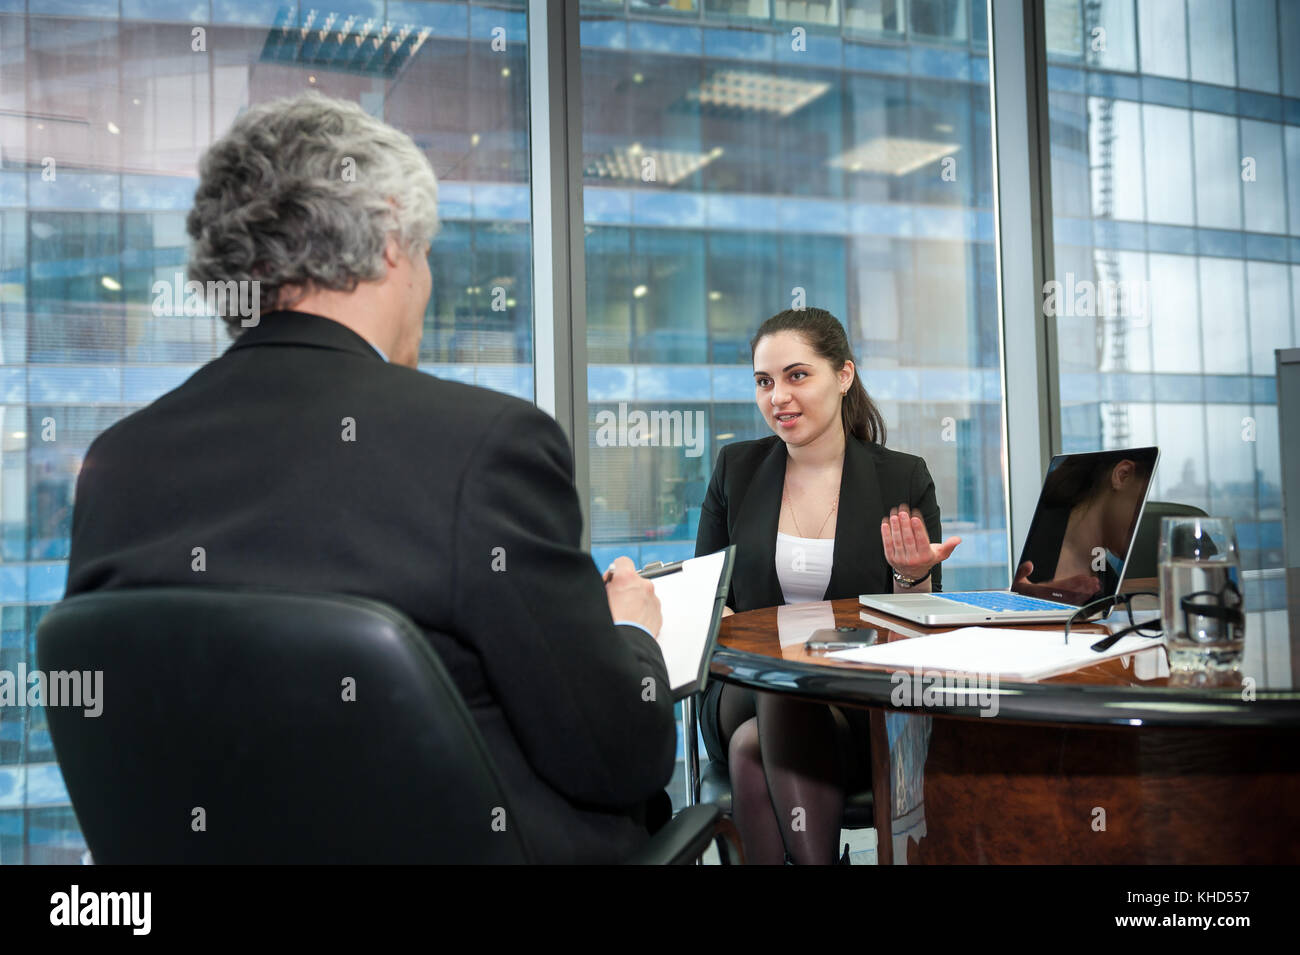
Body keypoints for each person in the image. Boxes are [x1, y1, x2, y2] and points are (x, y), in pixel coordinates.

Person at [64, 92, 676, 864]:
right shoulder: (485, 445)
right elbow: (617, 756)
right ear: (391, 236)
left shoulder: (117, 466)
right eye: (425, 252)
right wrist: (631, 630)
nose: (424, 281)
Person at [694, 307, 961, 865]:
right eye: (764, 382)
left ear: (843, 376)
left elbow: (919, 629)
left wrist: (913, 578)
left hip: (856, 702)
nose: (778, 398)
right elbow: (707, 598)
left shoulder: (902, 477)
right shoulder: (736, 469)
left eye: (797, 375)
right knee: (778, 683)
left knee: (753, 750)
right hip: (741, 692)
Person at [1012, 450, 1156, 605]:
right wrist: (1019, 601)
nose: (1145, 516)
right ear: (1123, 475)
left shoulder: (1108, 585)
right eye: (1145, 497)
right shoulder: (1022, 540)